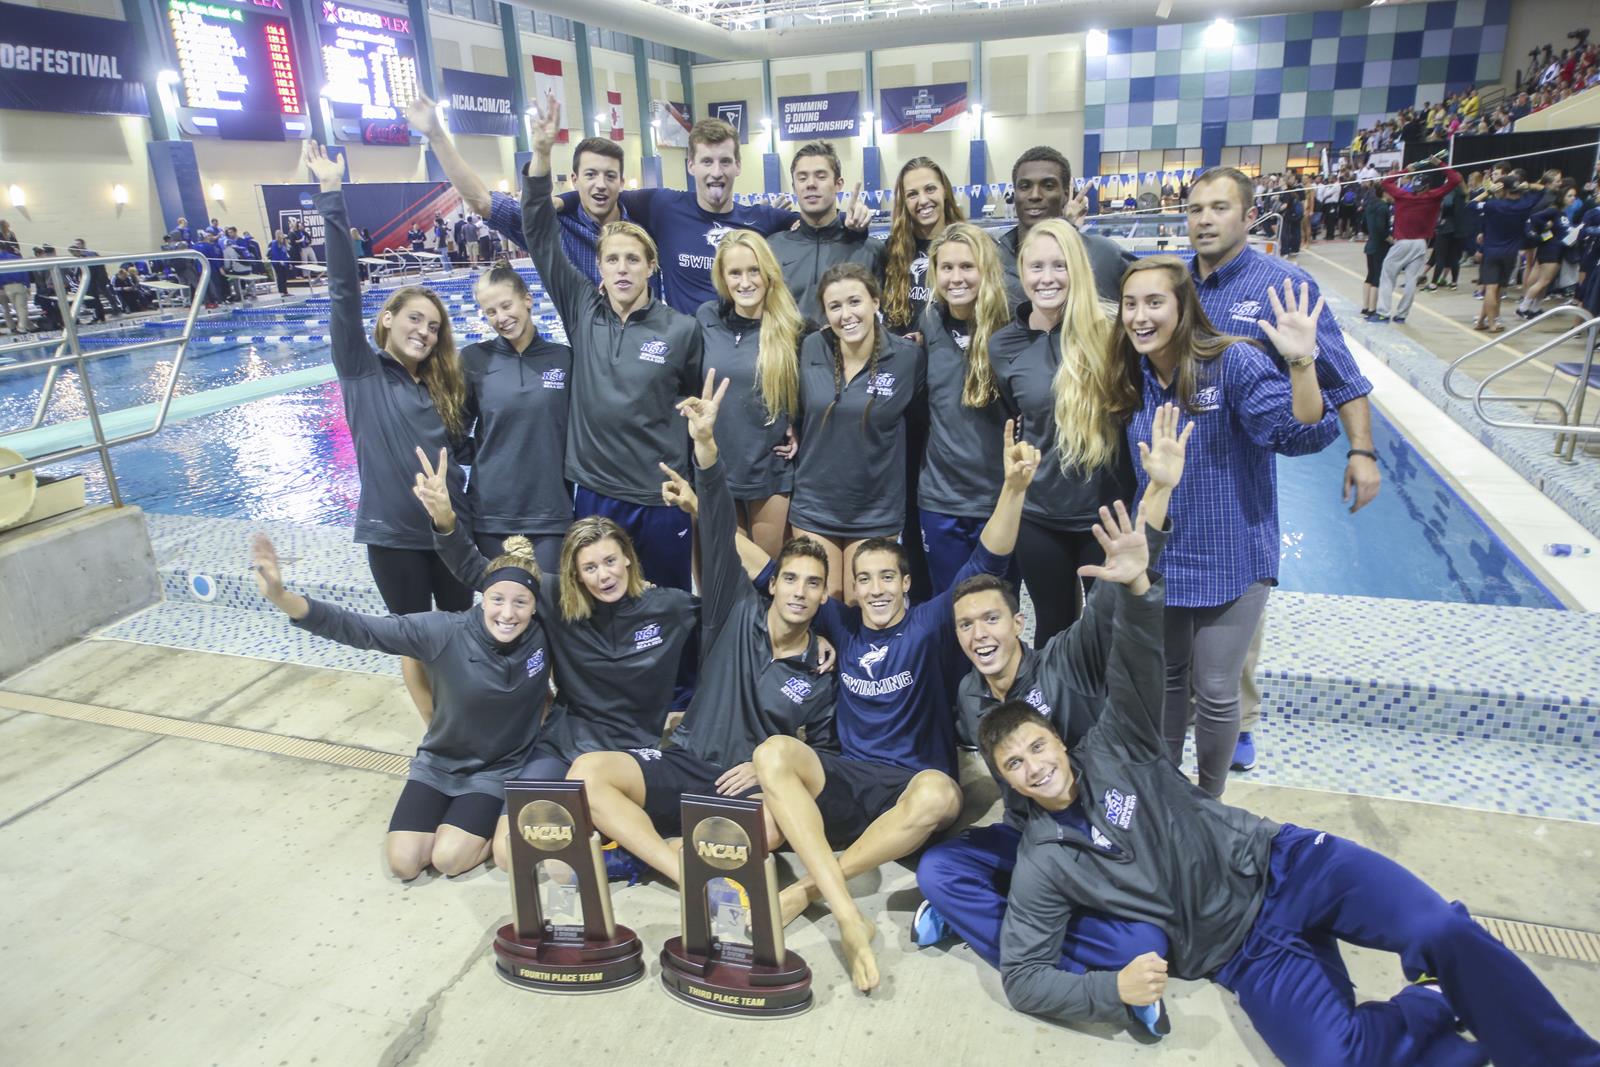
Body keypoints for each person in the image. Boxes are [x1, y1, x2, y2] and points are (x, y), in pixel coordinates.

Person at [982, 556, 1600, 1066]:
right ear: (1005, 779)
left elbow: (1137, 660)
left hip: (1291, 864)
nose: (1034, 766)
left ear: (1059, 739)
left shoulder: (1118, 742)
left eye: (1038, 746)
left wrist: (1140, 587)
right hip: (1241, 952)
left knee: (1441, 930)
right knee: (1334, 1060)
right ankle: (1436, 1002)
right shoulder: (1043, 861)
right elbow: (1024, 976)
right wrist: (1105, 990)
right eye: (1015, 765)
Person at [911, 404, 1188, 1039]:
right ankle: (1080, 969)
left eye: (991, 620)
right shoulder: (968, 697)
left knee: (1148, 937)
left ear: (1018, 622)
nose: (980, 634)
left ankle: (1028, 947)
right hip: (1030, 842)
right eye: (966, 625)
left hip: (1102, 837)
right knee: (940, 870)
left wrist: (1160, 493)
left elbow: (1120, 585)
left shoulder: (1069, 660)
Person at [750, 419, 1034, 994]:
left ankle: (811, 890)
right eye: (864, 580)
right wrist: (699, 501)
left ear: (907, 584)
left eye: (887, 577)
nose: (876, 589)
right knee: (774, 752)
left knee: (942, 794)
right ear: (850, 589)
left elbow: (987, 561)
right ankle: (845, 908)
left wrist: (1013, 489)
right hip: (848, 777)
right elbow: (763, 570)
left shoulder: (931, 625)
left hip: (910, 786)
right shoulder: (839, 622)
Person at [568, 371, 837, 884]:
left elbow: (821, 759)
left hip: (748, 784)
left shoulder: (822, 671)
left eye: (813, 584)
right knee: (588, 774)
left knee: (778, 825)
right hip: (688, 761)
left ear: (824, 596)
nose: (800, 591)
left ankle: (640, 853)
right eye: (791, 580)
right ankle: (680, 866)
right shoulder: (732, 611)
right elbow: (715, 524)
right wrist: (707, 447)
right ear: (773, 584)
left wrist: (766, 770)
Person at [416, 451, 699, 873]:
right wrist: (445, 521)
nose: (603, 575)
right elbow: (480, 572)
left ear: (627, 558)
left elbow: (735, 612)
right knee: (513, 854)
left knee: (555, 856)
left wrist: (819, 633)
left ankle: (619, 847)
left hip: (623, 754)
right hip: (563, 742)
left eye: (609, 561)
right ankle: (601, 840)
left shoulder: (671, 608)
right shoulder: (556, 600)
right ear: (575, 574)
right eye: (590, 567)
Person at [1184, 166, 1378, 774]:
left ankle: (1238, 720)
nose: (1205, 220)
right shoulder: (1177, 284)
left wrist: (1362, 451)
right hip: (1175, 475)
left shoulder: (1283, 286)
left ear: (1248, 217)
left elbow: (1341, 376)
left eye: (1219, 208)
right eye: (1195, 209)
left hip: (1240, 476)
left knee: (1233, 603)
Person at [1120, 256, 1335, 798]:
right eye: (1130, 304)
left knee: (1215, 688)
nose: (1140, 317)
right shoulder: (1134, 374)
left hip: (1233, 554)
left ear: (1183, 306)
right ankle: (1167, 796)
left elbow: (1302, 433)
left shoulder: (1231, 362)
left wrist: (1302, 361)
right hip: (1166, 557)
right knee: (1168, 684)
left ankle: (1207, 803)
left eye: (1154, 303)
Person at [251, 532, 549, 881]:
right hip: (440, 763)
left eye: (521, 603)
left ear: (534, 605)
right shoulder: (444, 631)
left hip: (497, 771)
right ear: (483, 598)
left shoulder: (542, 637)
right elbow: (360, 629)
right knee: (404, 864)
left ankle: (487, 822)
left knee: (449, 859)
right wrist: (283, 598)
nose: (508, 614)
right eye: (498, 599)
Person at [302, 139, 475, 722]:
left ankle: (464, 717)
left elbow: (468, 450)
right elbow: (342, 293)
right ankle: (437, 734)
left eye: (433, 325)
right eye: (413, 319)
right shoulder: (360, 369)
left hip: (450, 532)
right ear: (388, 321)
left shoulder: (442, 386)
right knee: (411, 638)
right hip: (393, 534)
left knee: (454, 633)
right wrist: (331, 195)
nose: (424, 331)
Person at [521, 93, 703, 592]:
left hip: (662, 493)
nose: (622, 268)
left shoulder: (680, 330)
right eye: (612, 260)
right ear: (597, 268)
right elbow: (538, 235)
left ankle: (681, 676)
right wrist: (540, 157)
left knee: (667, 604)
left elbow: (696, 409)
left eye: (633, 259)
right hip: (598, 493)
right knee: (601, 604)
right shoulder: (582, 310)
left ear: (651, 266)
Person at [990, 218, 1133, 646]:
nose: (1047, 278)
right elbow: (1018, 419)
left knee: (1111, 634)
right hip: (1040, 516)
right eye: (1036, 267)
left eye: (1059, 266)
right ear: (1021, 271)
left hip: (1107, 516)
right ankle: (1054, 715)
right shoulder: (1004, 345)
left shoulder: (1113, 333)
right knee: (1053, 632)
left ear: (1078, 269)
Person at [556, 117, 818, 312]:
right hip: (688, 354)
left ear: (738, 166)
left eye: (725, 161)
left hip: (741, 350)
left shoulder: (762, 219)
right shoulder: (663, 206)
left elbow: (819, 224)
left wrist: (855, 220)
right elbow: (607, 192)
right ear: (691, 165)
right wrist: (559, 201)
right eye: (706, 161)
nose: (716, 172)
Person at [786, 262, 925, 602]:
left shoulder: (908, 358)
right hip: (815, 504)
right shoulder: (810, 349)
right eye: (835, 306)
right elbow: (793, 404)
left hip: (877, 509)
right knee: (825, 604)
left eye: (855, 302)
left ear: (875, 302)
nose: (846, 314)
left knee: (863, 605)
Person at [917, 222, 1013, 593]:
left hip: (998, 499)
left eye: (967, 267)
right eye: (947, 268)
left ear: (985, 269)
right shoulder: (928, 322)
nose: (956, 277)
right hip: (941, 499)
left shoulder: (1009, 325)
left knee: (999, 605)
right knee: (949, 605)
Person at [460, 262, 574, 576]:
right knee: (504, 610)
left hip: (551, 510)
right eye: (490, 311)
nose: (501, 318)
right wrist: (485, 454)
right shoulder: (473, 359)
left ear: (527, 299)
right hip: (491, 513)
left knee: (548, 605)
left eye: (506, 305)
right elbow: (452, 429)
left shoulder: (563, 358)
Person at [697, 230, 804, 560]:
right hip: (716, 468)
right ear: (723, 278)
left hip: (768, 472)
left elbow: (817, 391)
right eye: (735, 273)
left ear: (768, 272)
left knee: (766, 576)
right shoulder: (706, 318)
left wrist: (799, 426)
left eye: (753, 270)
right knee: (723, 578)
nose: (745, 282)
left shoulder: (793, 329)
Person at [999, 146, 1135, 305]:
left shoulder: (1104, 256)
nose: (1035, 195)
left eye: (1048, 186)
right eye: (1024, 186)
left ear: (1066, 193)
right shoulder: (993, 260)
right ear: (1015, 194)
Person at [768, 141, 884, 321]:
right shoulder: (773, 248)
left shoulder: (870, 250)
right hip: (790, 348)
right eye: (802, 177)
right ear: (794, 187)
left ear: (838, 184)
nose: (811, 184)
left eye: (821, 176)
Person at [881, 156, 966, 339]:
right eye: (912, 194)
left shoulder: (970, 246)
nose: (923, 200)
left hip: (952, 359)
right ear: (904, 201)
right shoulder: (892, 250)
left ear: (944, 191)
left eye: (930, 189)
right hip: (905, 360)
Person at [1375, 159, 1461, 323]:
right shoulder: (1434, 196)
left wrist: (1406, 170)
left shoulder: (1403, 195)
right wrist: (1440, 164)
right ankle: (1401, 315)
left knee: (1387, 277)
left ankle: (1383, 313)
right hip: (1421, 244)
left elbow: (1386, 181)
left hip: (1402, 242)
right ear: (1427, 186)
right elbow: (1455, 180)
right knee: (1411, 280)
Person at [1474, 177, 1545, 333]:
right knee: (1499, 289)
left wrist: (1488, 192)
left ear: (1503, 189)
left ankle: (1491, 323)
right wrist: (1530, 184)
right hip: (1511, 253)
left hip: (1491, 251)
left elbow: (1471, 205)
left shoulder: (1493, 205)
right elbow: (1544, 190)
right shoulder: (1524, 205)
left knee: (1491, 289)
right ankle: (1481, 321)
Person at [1362, 185, 1393, 318]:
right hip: (1380, 246)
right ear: (1385, 193)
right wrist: (1390, 239)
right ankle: (1372, 308)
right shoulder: (1383, 208)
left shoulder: (1369, 205)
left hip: (1370, 244)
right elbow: (1381, 228)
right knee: (1377, 277)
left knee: (1370, 275)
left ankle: (1365, 306)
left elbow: (1363, 226)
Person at [0, 246, 31, 334]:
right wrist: (27, 285)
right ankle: (22, 328)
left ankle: (14, 327)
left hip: (6, 286)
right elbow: (25, 273)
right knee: (21, 308)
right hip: (19, 284)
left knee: (8, 308)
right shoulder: (15, 258)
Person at [268, 231, 292, 297]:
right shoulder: (275, 243)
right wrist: (279, 260)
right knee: (280, 277)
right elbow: (275, 253)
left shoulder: (283, 243)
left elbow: (285, 254)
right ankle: (281, 292)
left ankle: (285, 291)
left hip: (284, 262)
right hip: (277, 263)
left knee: (284, 277)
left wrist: (288, 262)